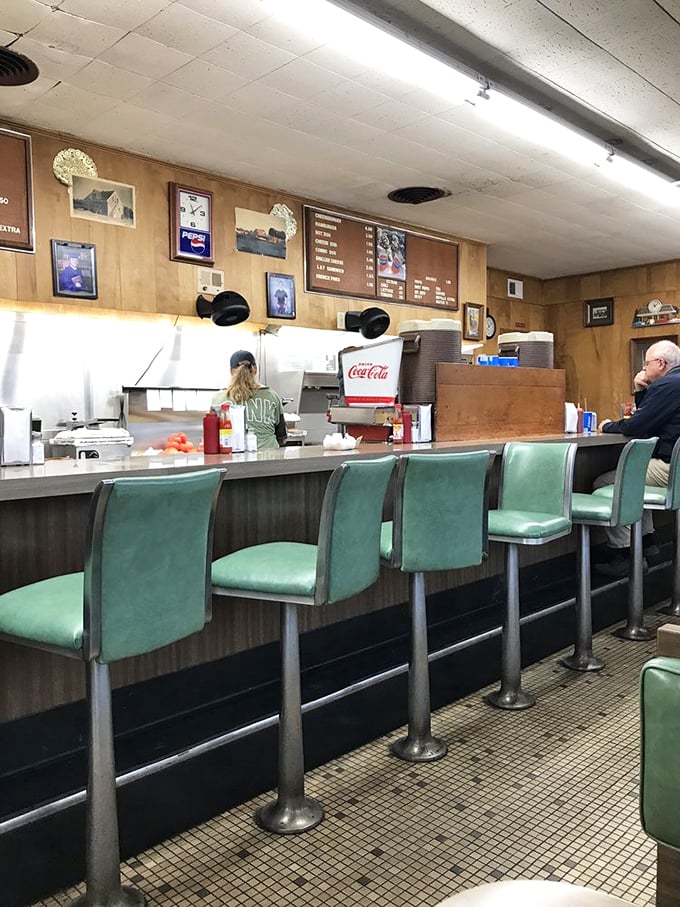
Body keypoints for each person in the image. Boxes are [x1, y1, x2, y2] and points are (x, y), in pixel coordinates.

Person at [594, 339, 680, 577]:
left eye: (646, 364)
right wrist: (643, 391)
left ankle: (624, 552)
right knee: (637, 478)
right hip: (676, 468)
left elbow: (637, 425)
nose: (643, 369)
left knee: (606, 482)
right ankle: (648, 540)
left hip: (670, 468)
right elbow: (651, 421)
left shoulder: (667, 385)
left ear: (661, 364)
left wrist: (608, 426)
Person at [212, 350, 287, 451]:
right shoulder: (272, 396)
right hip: (269, 459)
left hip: (231, 459)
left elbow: (212, 437)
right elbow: (282, 438)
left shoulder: (218, 398)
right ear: (255, 369)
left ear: (230, 371)